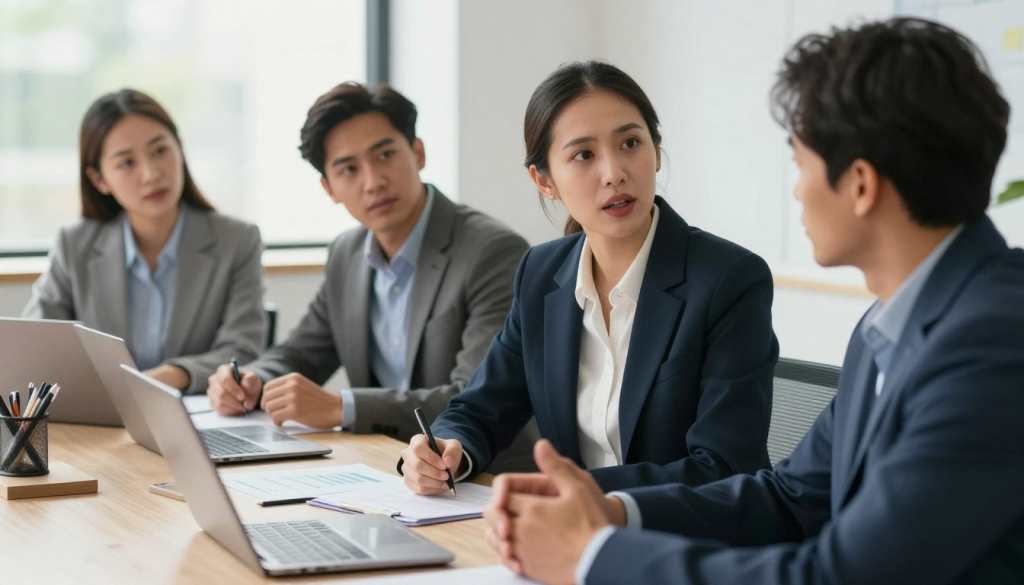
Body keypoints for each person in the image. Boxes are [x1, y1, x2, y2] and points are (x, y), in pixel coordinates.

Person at [483, 18, 1024, 585]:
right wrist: (613, 511)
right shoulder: (886, 327)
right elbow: (793, 498)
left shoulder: (994, 343)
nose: (796, 189)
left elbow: (844, 575)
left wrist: (591, 558)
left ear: (860, 185)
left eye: (800, 162)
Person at [399, 61, 778, 495]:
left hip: (690, 544)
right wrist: (447, 449)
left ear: (656, 152)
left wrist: (572, 493)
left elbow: (725, 467)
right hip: (577, 538)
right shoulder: (541, 274)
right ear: (544, 181)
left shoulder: (728, 279)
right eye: (584, 155)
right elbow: (481, 408)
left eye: (630, 143)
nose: (613, 172)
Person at [206, 82, 536, 458]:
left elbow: (475, 397)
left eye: (385, 155)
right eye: (348, 169)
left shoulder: (491, 252)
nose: (373, 182)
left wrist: (340, 407)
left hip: (481, 476)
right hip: (383, 465)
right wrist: (251, 381)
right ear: (329, 187)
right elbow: (301, 354)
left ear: (418, 152)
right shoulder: (347, 252)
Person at [23, 89, 265, 394]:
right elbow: (36, 346)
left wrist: (173, 375)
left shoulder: (237, 240)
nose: (151, 174)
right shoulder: (75, 245)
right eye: (126, 162)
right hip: (102, 422)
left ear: (180, 148)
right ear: (100, 180)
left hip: (198, 420)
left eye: (160, 150)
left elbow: (243, 350)